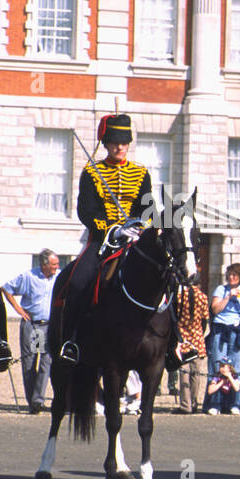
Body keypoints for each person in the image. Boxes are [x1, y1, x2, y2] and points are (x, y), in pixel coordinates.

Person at [56, 114, 153, 364]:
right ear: (106, 143)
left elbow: (147, 209)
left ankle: (174, 344)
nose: (119, 147)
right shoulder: (92, 172)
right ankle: (70, 341)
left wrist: (138, 227)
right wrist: (113, 230)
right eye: (113, 142)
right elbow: (86, 211)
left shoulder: (141, 174)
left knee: (164, 276)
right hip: (102, 241)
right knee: (77, 283)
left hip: (134, 240)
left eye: (123, 142)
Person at [1, 249, 61, 413]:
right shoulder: (29, 277)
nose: (57, 267)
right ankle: (33, 401)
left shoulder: (59, 276)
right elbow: (6, 288)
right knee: (30, 363)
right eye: (54, 264)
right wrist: (18, 309)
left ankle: (38, 400)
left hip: (50, 326)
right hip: (34, 326)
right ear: (44, 264)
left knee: (46, 362)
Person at [173, 280, 210, 414]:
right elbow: (205, 319)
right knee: (196, 373)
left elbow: (174, 317)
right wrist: (199, 331)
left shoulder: (179, 296)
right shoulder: (203, 297)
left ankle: (185, 405)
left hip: (183, 338)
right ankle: (194, 403)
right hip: (197, 338)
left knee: (184, 371)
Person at [209, 264, 240, 379]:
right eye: (229, 274)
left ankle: (235, 396)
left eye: (234, 275)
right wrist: (228, 297)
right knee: (218, 368)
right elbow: (215, 309)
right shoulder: (221, 289)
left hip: (236, 331)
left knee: (236, 370)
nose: (231, 277)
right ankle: (216, 395)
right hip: (220, 330)